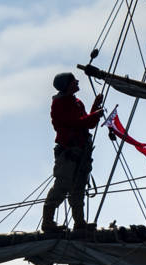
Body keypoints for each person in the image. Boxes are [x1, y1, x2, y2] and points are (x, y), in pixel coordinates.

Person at [42, 72, 104, 233]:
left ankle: (79, 222)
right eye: (73, 81)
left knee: (78, 188)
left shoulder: (76, 102)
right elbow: (75, 123)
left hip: (81, 153)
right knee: (62, 186)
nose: (77, 81)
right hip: (69, 152)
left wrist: (95, 107)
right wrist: (94, 114)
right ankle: (47, 221)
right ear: (66, 85)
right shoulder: (59, 104)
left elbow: (87, 124)